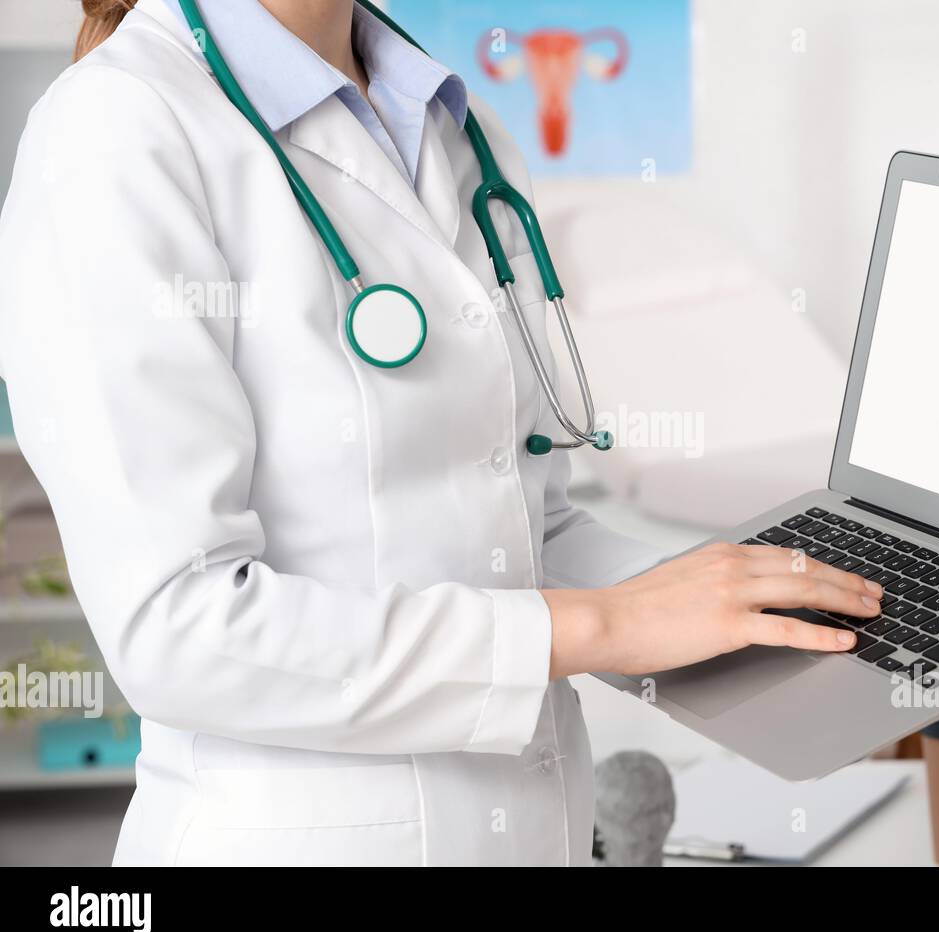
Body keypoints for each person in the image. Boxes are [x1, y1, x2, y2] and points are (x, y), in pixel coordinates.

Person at [0, 0, 881, 865]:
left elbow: (527, 528)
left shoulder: (463, 128)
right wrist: (608, 625)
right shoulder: (116, 132)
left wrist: (750, 601)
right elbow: (181, 628)